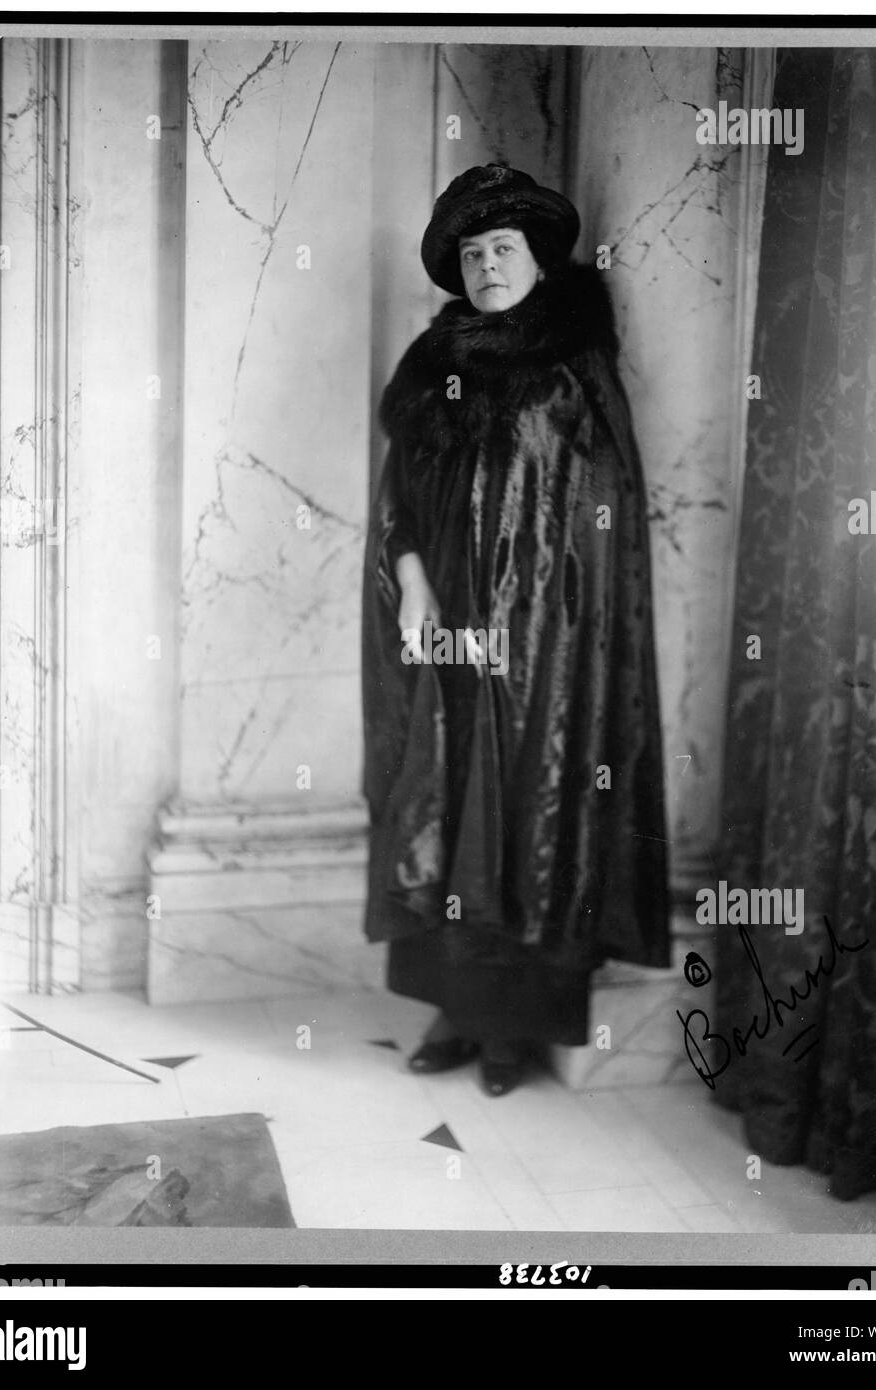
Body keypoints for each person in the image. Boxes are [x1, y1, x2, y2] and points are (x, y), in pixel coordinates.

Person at [362, 163, 669, 1097]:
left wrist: (563, 622)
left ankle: (514, 1029)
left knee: (533, 809)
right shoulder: (432, 366)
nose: (488, 264)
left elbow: (606, 509)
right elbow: (398, 499)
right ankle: (456, 1010)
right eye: (471, 252)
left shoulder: (577, 366)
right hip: (452, 637)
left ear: (535, 258)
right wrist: (411, 584)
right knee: (446, 801)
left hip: (550, 642)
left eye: (503, 248)